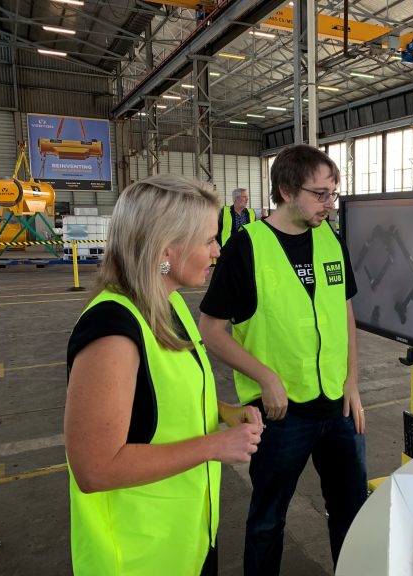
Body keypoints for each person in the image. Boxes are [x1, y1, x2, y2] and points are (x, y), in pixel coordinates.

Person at [64, 174, 263, 576]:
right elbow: (95, 468)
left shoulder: (167, 306)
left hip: (185, 541)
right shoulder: (113, 331)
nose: (218, 251)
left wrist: (222, 411)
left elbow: (155, 401)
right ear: (166, 248)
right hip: (137, 556)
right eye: (208, 239)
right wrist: (215, 446)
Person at [199, 145, 367, 576]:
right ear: (287, 191)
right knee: (268, 520)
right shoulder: (245, 249)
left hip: (338, 406)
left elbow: (344, 311)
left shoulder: (331, 238)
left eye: (334, 193)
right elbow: (211, 329)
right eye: (320, 194)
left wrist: (352, 381)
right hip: (280, 414)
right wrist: (265, 377)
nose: (330, 204)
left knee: (353, 513)